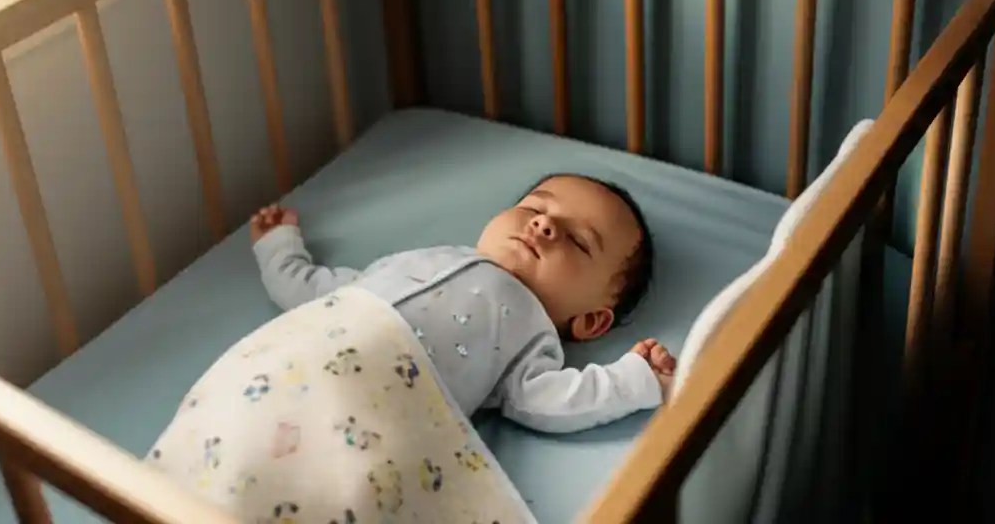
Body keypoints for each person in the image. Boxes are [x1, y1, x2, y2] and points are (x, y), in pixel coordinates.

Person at [250, 173, 676, 433]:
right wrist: (279, 248)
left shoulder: (530, 332)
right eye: (533, 208)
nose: (544, 224)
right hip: (292, 370)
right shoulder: (425, 259)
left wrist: (634, 380)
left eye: (578, 241)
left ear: (589, 322)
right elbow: (315, 291)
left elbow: (551, 400)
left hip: (374, 417)